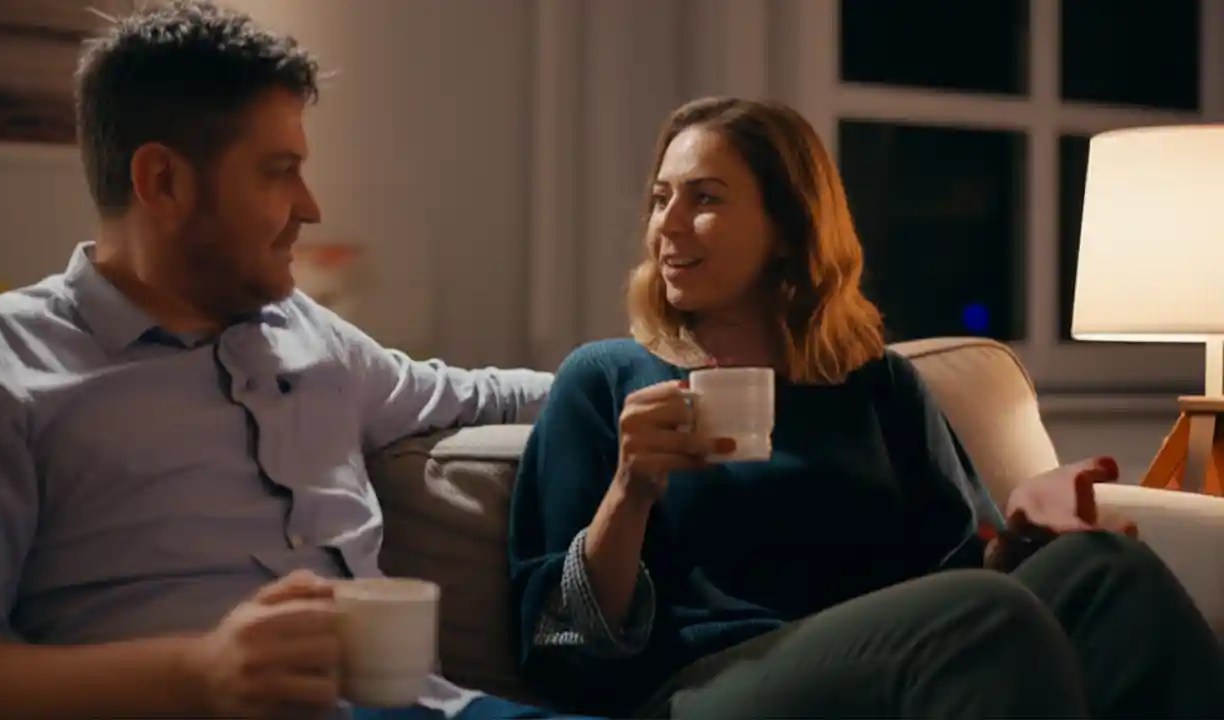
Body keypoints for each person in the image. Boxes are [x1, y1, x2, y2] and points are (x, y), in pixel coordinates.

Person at [0, 2, 580, 718]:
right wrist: (199, 672)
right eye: (279, 172)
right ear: (163, 183)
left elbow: (479, 396)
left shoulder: (313, 335)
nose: (309, 206)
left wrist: (651, 380)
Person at [508, 96, 1224, 719]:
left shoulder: (877, 385)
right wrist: (630, 492)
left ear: (787, 226)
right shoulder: (606, 379)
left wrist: (1022, 537)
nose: (668, 224)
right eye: (661, 197)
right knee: (982, 615)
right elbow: (557, 640)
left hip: (903, 655)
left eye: (705, 198)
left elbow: (964, 573)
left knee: (1109, 569)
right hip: (707, 688)